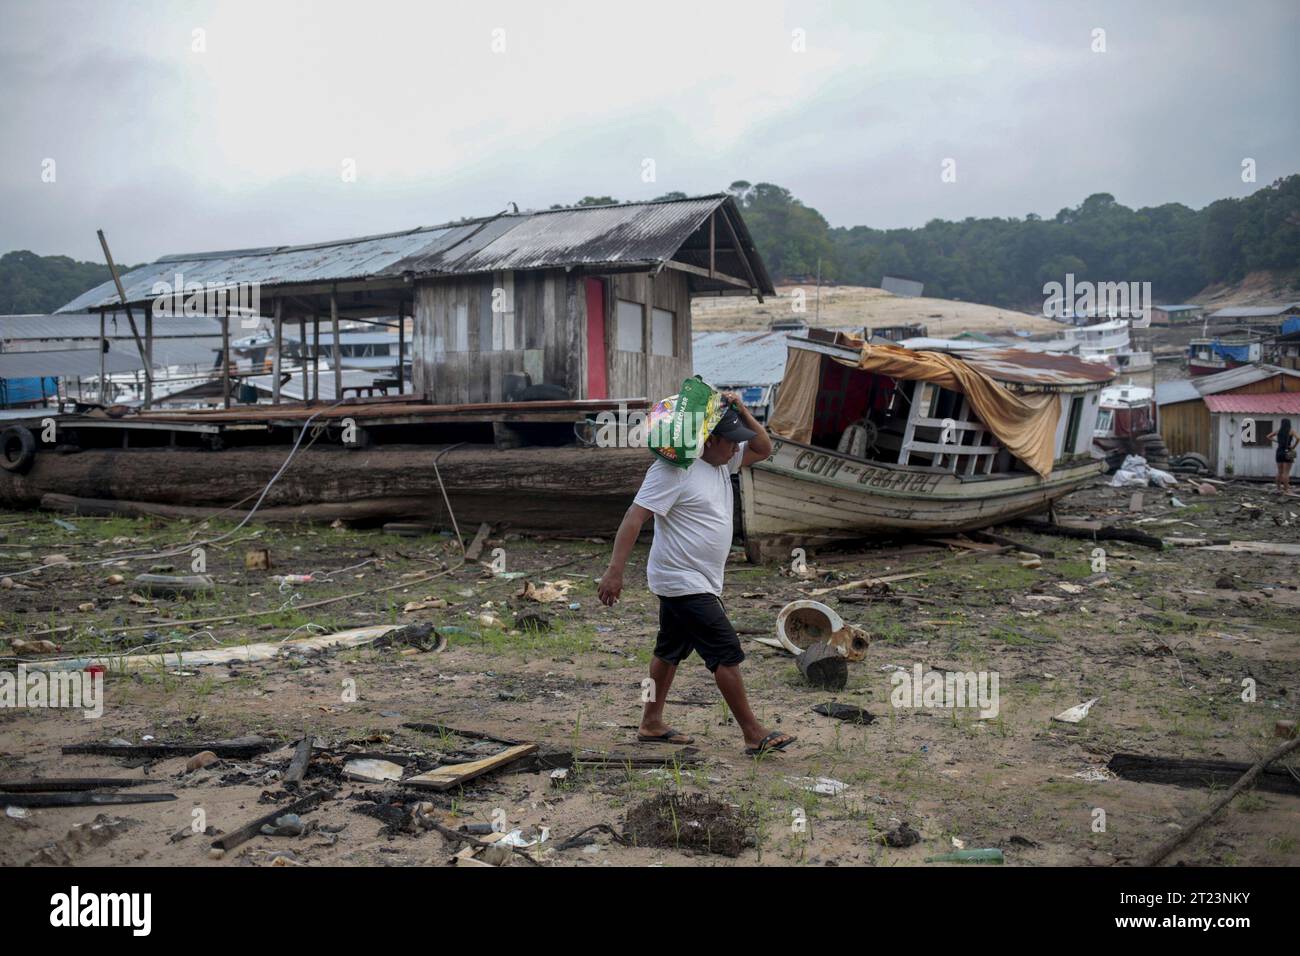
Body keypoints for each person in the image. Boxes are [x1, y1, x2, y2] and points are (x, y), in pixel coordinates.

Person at [597, 393, 795, 757]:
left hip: (700, 579)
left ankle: (650, 722)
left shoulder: (723, 461)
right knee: (725, 652)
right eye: (731, 438)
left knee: (669, 650)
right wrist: (614, 572)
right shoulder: (673, 469)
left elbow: (764, 447)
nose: (738, 444)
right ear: (708, 440)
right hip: (680, 580)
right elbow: (634, 518)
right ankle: (753, 733)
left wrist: (742, 411)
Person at [1267, 419, 1298, 494]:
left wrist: (1277, 441)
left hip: (1279, 452)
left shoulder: (1278, 431)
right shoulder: (1291, 431)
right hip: (1289, 451)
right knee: (1286, 472)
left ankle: (1278, 488)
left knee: (1279, 472)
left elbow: (1268, 436)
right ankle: (1286, 490)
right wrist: (1293, 447)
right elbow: (1298, 438)